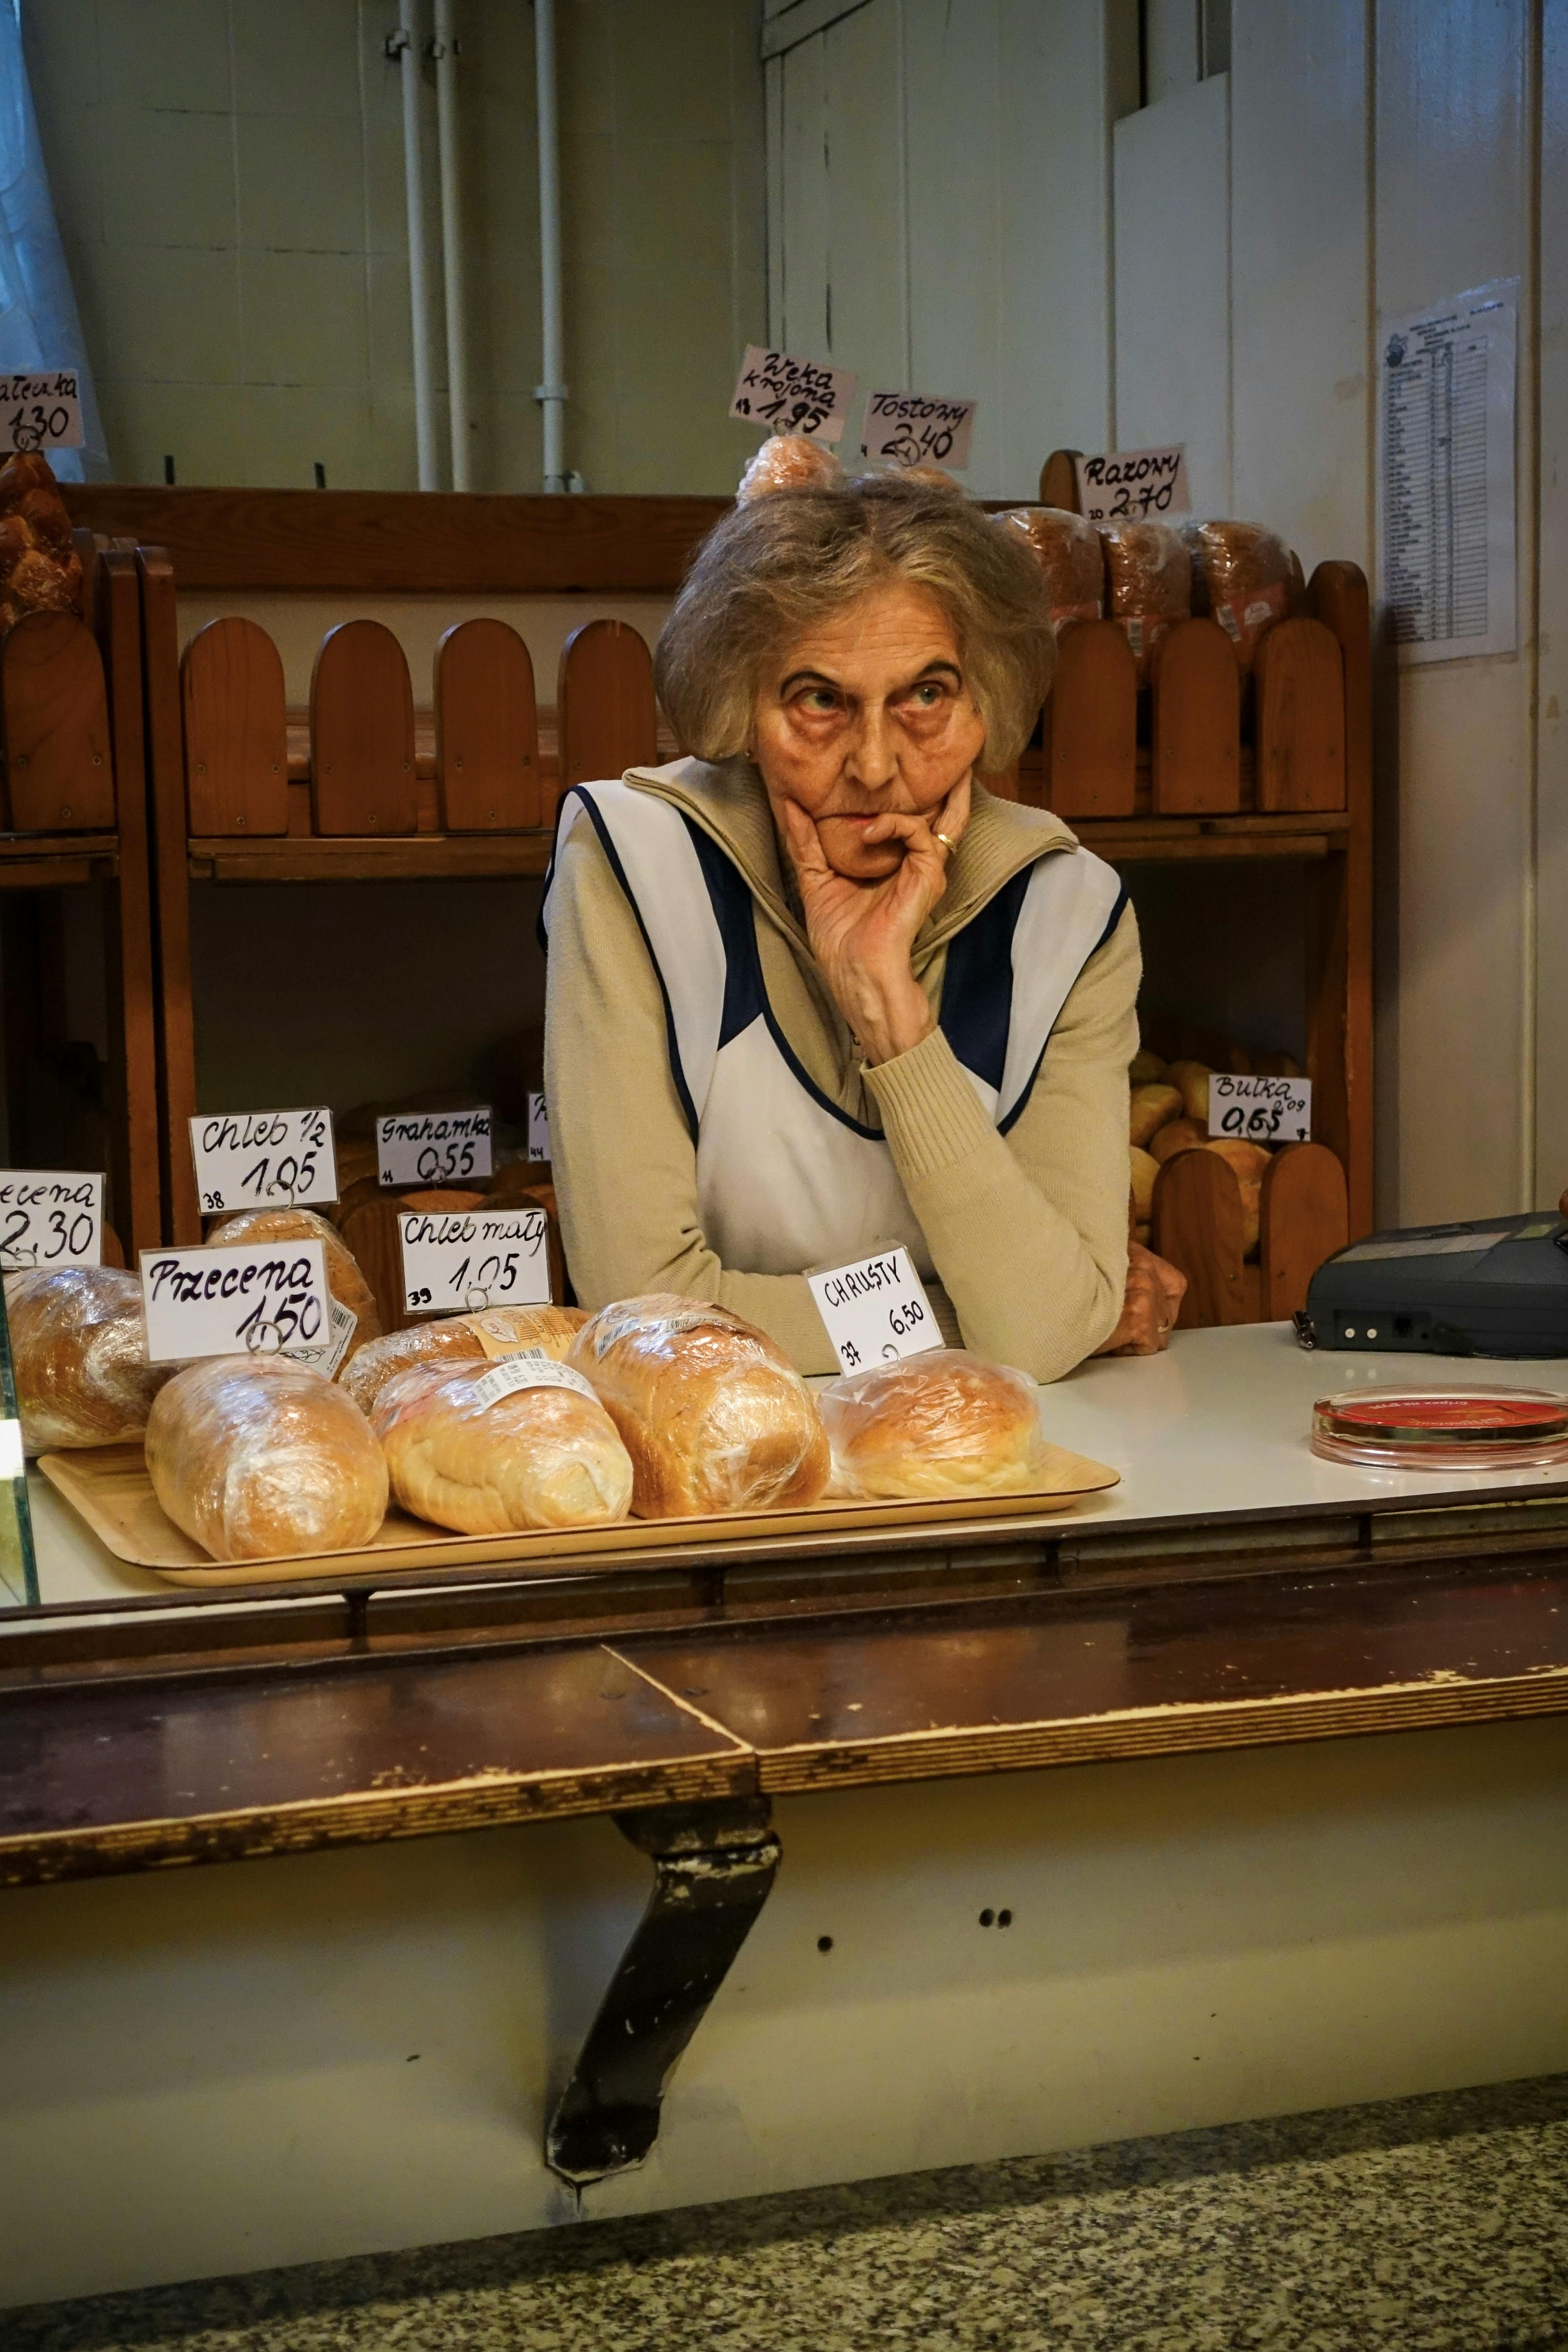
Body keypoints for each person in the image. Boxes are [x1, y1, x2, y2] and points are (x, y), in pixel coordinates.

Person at [543, 470, 1185, 1378]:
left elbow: (1043, 1332)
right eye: (819, 700)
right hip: (719, 1462)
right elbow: (645, 1310)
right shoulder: (634, 859)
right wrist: (965, 1315)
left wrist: (894, 1020)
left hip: (981, 1465)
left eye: (925, 696)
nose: (877, 767)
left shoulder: (1069, 908)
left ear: (985, 704)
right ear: (743, 707)